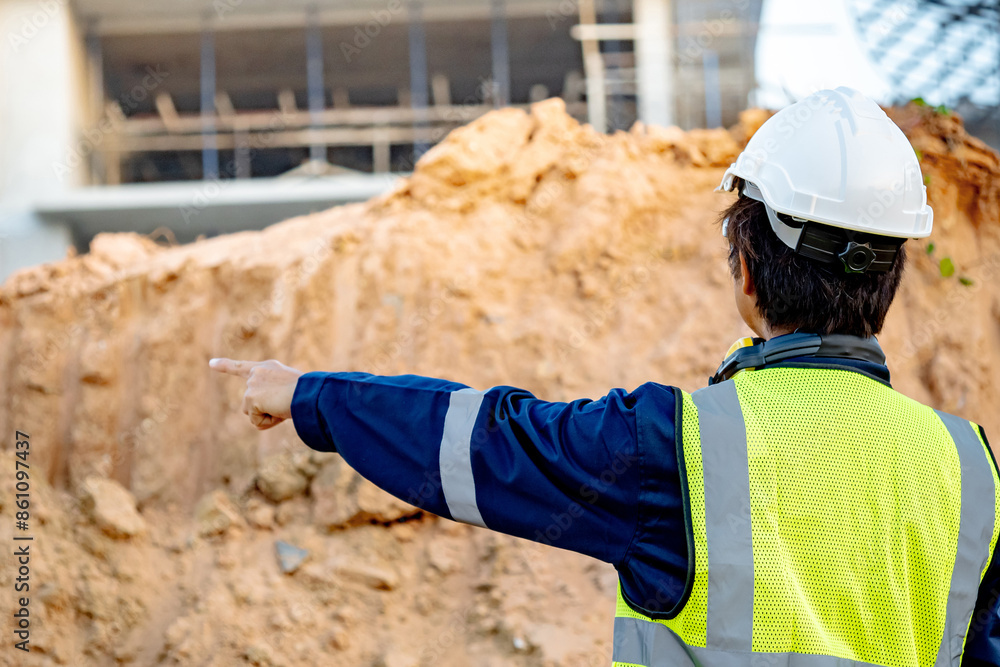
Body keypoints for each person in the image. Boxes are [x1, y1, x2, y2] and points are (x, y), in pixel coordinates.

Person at [210, 87, 1000, 666]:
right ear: (892, 279)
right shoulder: (971, 473)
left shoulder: (678, 447)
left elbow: (480, 442)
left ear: (748, 274)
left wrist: (310, 393)